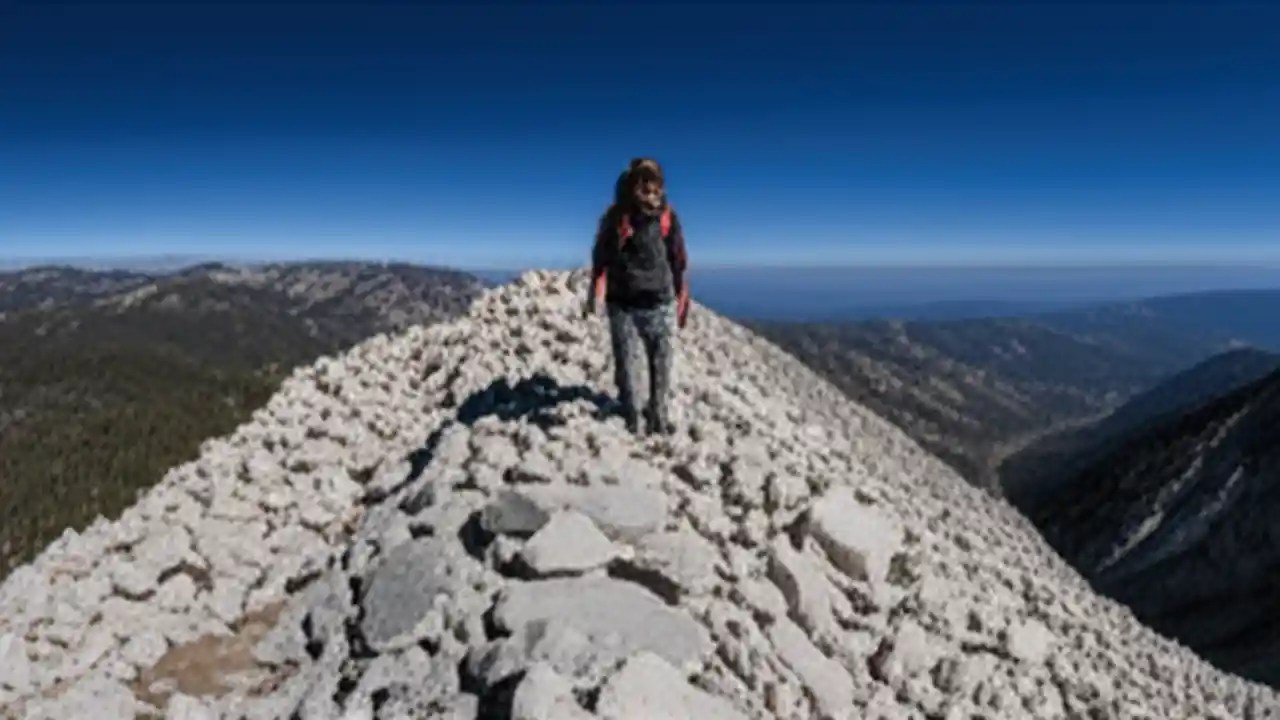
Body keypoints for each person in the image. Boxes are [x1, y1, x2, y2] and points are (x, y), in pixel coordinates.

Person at [583, 157, 691, 435]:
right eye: (644, 188)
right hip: (623, 306)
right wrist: (592, 293)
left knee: (662, 367)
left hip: (661, 301)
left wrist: (683, 297)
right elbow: (600, 257)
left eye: (655, 189)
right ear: (632, 188)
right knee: (628, 369)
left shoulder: (668, 218)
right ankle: (632, 418)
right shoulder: (617, 219)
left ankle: (658, 415)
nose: (651, 195)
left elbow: (678, 259)